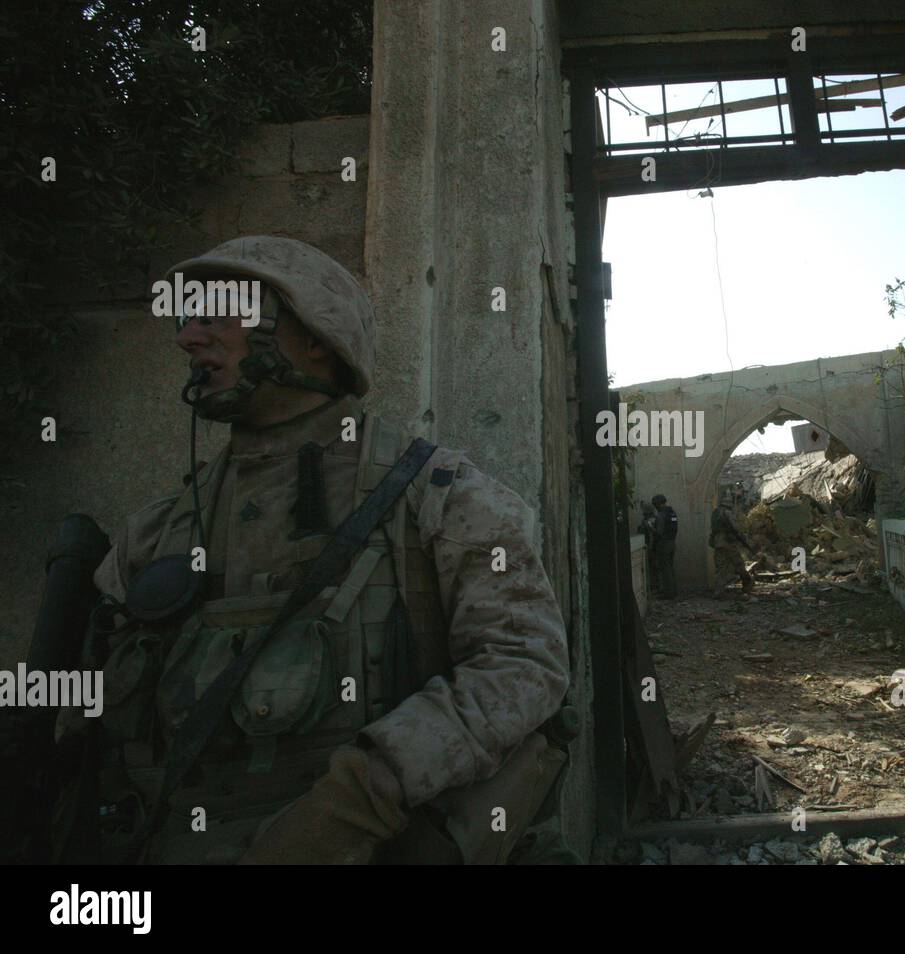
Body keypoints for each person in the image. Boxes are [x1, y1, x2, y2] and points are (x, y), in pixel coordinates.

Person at [48, 236, 570, 865]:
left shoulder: (440, 499)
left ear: (316, 337)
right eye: (187, 318)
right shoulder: (155, 533)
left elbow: (525, 666)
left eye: (220, 313)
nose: (190, 337)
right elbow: (84, 719)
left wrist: (360, 799)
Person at [710, 486, 754, 595]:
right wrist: (741, 539)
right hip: (728, 542)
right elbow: (736, 528)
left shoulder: (715, 513)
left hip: (718, 543)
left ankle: (718, 591)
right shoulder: (728, 513)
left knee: (721, 568)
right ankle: (747, 584)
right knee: (738, 564)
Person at [650, 493, 678, 599]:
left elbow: (659, 533)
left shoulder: (662, 515)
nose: (655, 507)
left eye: (655, 505)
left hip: (664, 544)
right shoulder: (672, 513)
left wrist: (650, 527)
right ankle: (673, 591)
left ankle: (668, 593)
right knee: (670, 568)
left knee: (665, 569)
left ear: (658, 504)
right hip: (672, 543)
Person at [636, 501, 659, 593]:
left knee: (653, 568)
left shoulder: (650, 521)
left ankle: (655, 586)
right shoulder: (651, 520)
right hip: (650, 546)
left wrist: (650, 547)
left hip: (651, 547)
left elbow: (652, 535)